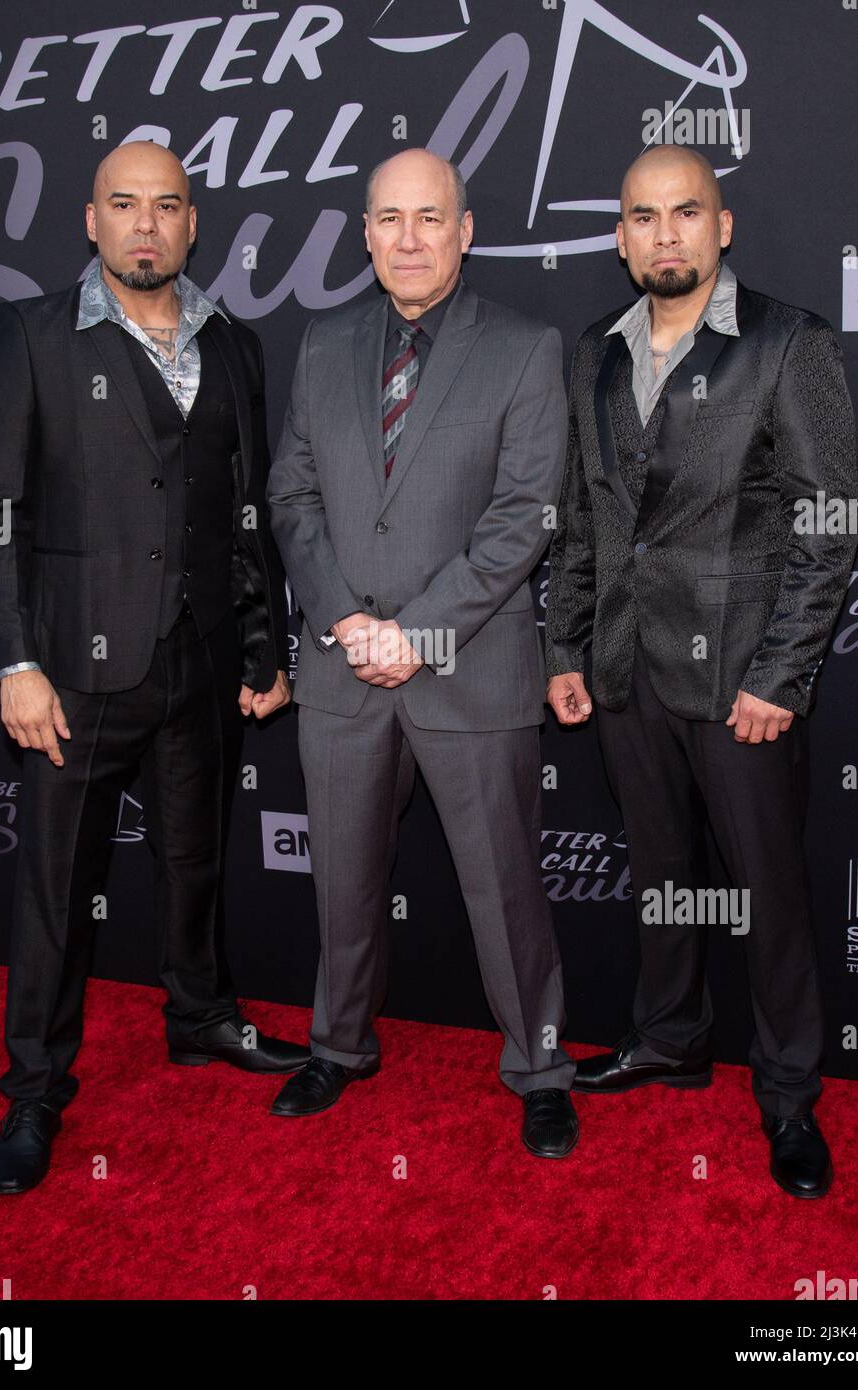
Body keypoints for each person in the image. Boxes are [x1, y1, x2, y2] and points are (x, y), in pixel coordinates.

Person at [0, 141, 308, 1196]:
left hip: (200, 663)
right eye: (124, 204)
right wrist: (15, 660)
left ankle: (199, 1014)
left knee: (195, 859)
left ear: (192, 224)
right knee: (58, 890)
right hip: (73, 669)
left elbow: (246, 512)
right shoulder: (30, 335)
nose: (146, 224)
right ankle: (34, 1084)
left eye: (166, 206)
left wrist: (262, 644)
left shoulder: (234, 343)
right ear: (91, 219)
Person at [546, 146, 857, 1197]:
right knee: (665, 880)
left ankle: (788, 1096)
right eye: (643, 216)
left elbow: (825, 529)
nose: (664, 233)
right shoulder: (594, 350)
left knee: (767, 899)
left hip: (739, 687)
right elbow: (586, 516)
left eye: (686, 212)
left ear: (722, 227)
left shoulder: (786, 343)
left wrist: (780, 675)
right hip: (628, 669)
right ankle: (671, 1037)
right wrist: (567, 646)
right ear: (620, 236)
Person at [266, 148, 579, 1158]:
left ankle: (537, 1066)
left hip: (470, 668)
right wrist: (340, 618)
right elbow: (292, 495)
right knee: (342, 881)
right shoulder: (323, 342)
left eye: (428, 218)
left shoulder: (527, 349)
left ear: (465, 228)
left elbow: (522, 518)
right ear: (365, 233)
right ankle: (339, 1043)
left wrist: (419, 632)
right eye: (388, 219)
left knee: (506, 890)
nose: (407, 238)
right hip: (340, 669)